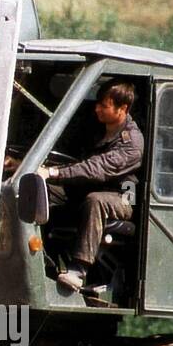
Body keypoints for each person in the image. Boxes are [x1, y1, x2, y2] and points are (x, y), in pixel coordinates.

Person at [36, 81, 144, 292]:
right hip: (90, 188)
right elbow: (78, 162)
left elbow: (97, 168)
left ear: (122, 109)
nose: (97, 109)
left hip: (123, 197)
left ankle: (78, 270)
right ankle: (44, 258)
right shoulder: (97, 129)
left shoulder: (132, 143)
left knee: (96, 201)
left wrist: (54, 173)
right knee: (44, 191)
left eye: (104, 106)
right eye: (98, 104)